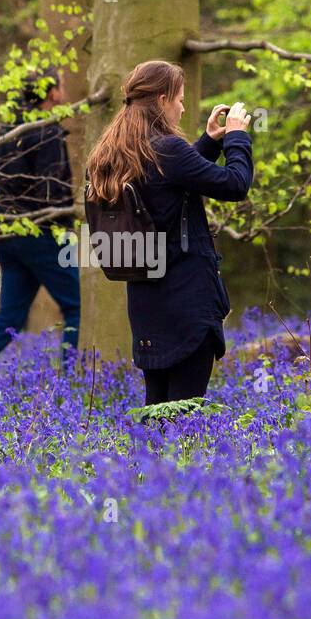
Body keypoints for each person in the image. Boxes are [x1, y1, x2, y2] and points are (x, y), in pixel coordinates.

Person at [85, 60, 253, 404]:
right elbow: (235, 185)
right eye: (179, 98)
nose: (183, 106)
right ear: (162, 100)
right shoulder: (166, 150)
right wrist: (237, 138)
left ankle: (143, 461)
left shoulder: (111, 153)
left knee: (158, 413)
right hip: (186, 300)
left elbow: (167, 186)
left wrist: (207, 142)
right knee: (184, 419)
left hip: (147, 303)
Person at [0, 70, 80, 370]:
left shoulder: (7, 131)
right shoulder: (47, 130)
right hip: (42, 235)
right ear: (52, 93)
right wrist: (68, 221)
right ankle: (73, 381)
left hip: (7, 237)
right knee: (77, 307)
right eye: (61, 85)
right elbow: (51, 189)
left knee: (9, 319)